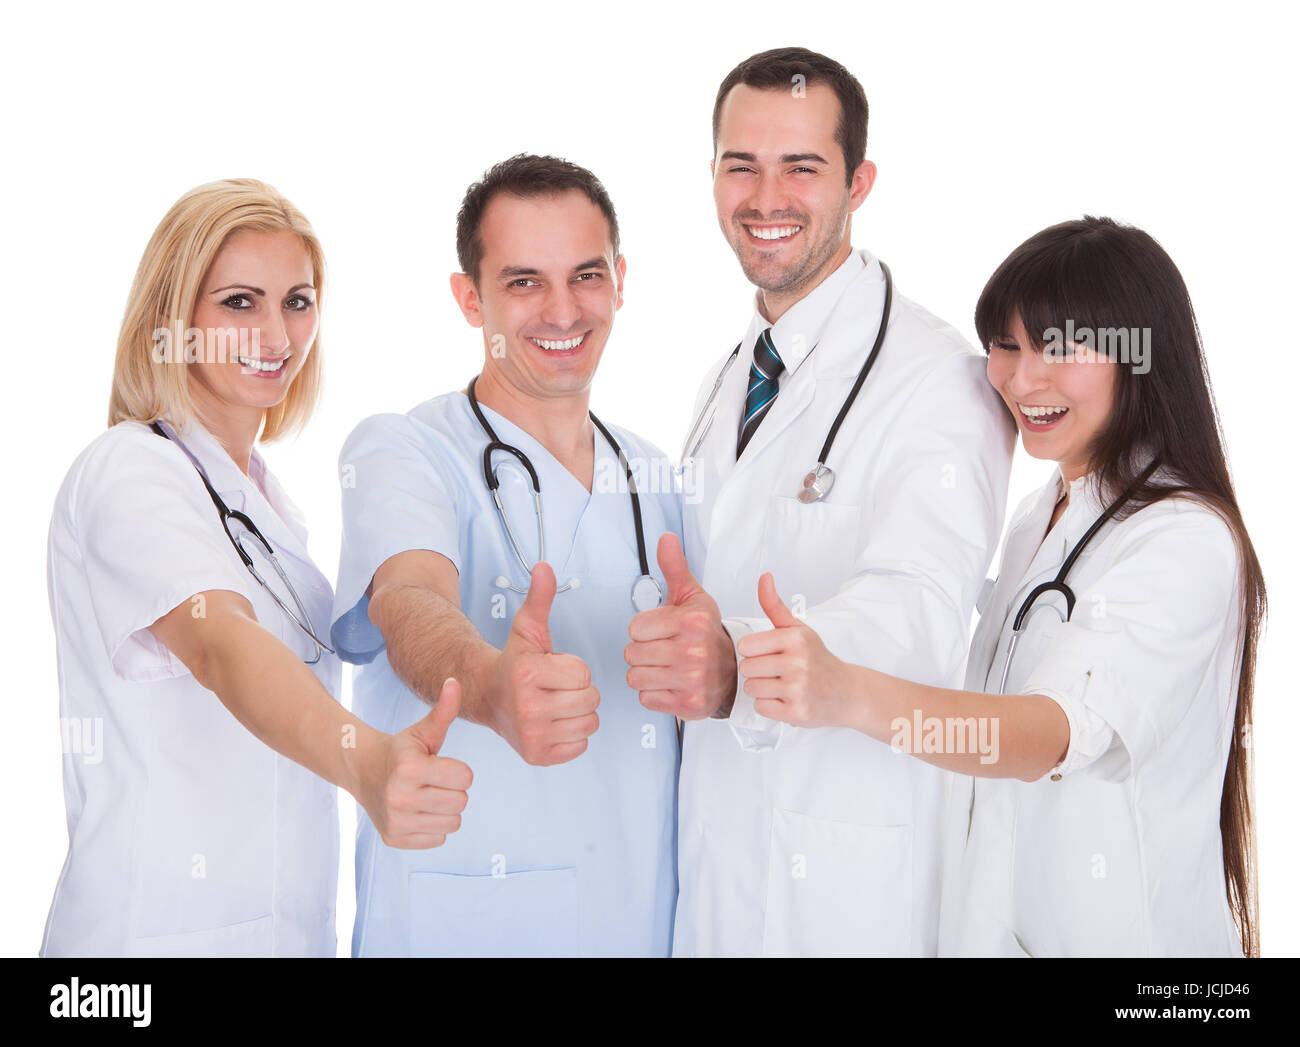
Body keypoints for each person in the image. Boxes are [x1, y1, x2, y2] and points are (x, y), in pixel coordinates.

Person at [738, 216, 1264, 957]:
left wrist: (845, 692)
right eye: (1007, 345)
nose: (1021, 379)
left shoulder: (1185, 541)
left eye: (1060, 347)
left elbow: (1044, 737)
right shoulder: (1037, 517)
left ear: (1139, 357)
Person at [624, 47, 1015, 956]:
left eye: (801, 165)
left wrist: (740, 672)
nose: (767, 198)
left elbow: (920, 608)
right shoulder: (729, 375)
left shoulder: (939, 379)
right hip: (717, 867)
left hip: (848, 881)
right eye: (740, 165)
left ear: (859, 180)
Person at [41, 179, 471, 958]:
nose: (277, 333)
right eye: (240, 302)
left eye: (298, 301)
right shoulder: (129, 470)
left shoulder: (269, 510)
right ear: (173, 320)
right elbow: (221, 649)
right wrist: (366, 761)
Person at [331, 154, 680, 957]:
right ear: (469, 297)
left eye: (586, 275)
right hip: (462, 928)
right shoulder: (407, 449)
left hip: (639, 925)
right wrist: (490, 685)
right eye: (524, 282)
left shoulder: (663, 479)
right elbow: (410, 599)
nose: (563, 309)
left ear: (621, 280)